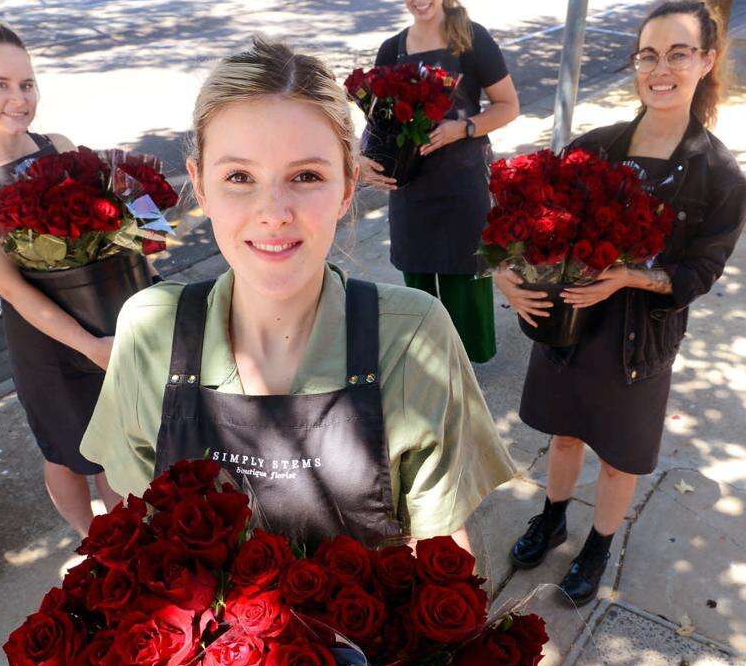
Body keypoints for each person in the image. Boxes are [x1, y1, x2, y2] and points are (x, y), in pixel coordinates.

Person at [81, 37, 515, 552]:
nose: (274, 211)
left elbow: (441, 549)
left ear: (348, 185)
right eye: (239, 176)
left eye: (306, 176)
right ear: (200, 186)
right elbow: (141, 532)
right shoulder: (150, 331)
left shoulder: (413, 335)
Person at [497, 0, 746, 605]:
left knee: (617, 459)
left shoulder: (719, 174)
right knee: (561, 438)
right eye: (649, 54)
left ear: (706, 62)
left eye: (679, 54)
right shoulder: (596, 145)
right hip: (570, 324)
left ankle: (598, 546)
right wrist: (504, 273)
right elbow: (523, 219)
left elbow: (700, 273)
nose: (661, 68)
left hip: (639, 341)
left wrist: (628, 278)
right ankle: (552, 517)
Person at [0, 12, 119, 535]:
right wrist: (88, 347)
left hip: (104, 319)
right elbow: (10, 290)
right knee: (65, 450)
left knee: (117, 442)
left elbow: (121, 225)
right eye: (0, 84)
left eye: (26, 83)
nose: (19, 97)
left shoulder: (59, 147)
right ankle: (93, 540)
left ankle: (127, 540)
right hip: (45, 340)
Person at [360, 0, 519, 366]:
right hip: (412, 193)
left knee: (464, 283)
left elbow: (508, 106)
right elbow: (378, 121)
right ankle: (428, 368)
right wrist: (365, 159)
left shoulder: (471, 39)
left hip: (462, 185)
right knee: (417, 287)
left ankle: (466, 371)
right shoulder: (391, 50)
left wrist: (461, 129)